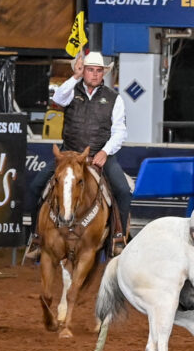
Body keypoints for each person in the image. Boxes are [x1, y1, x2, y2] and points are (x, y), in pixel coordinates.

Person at [33, 51, 132, 253]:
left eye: (98, 70)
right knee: (36, 186)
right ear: (83, 71)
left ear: (103, 73)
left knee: (122, 191)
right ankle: (36, 237)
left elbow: (120, 131)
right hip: (68, 155)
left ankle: (118, 237)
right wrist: (75, 76)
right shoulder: (71, 91)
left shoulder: (114, 99)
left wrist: (105, 152)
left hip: (99, 154)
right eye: (90, 70)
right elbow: (58, 98)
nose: (94, 74)